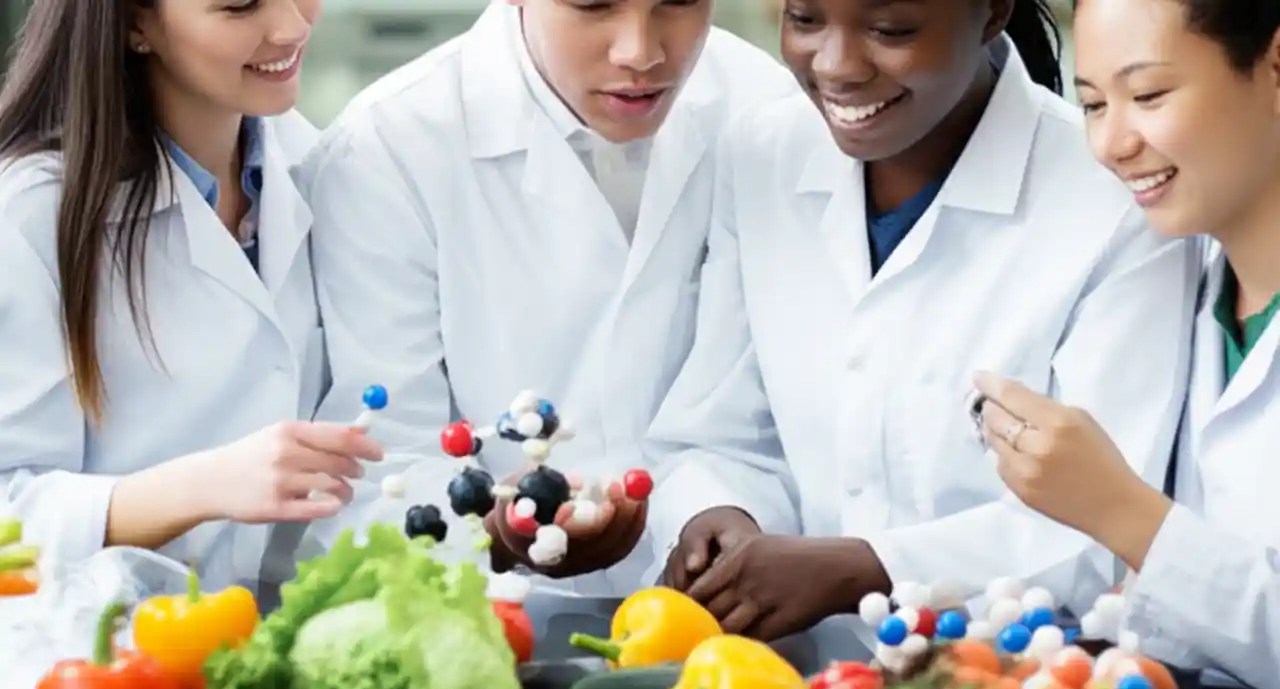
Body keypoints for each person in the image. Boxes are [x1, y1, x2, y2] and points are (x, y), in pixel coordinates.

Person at [643, 0, 1203, 645]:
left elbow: (1107, 523)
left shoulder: (1116, 200)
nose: (837, 65)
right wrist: (719, 512)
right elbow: (722, 428)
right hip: (787, 679)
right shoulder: (763, 152)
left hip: (1012, 679)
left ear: (992, 13)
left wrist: (864, 568)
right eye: (805, 20)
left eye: (890, 30)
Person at [299, 0, 797, 596]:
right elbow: (384, 462)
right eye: (592, 5)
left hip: (731, 617)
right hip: (502, 622)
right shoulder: (389, 148)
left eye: (680, 1)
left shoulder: (767, 108)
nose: (639, 51)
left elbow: (768, 409)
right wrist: (502, 537)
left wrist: (712, 508)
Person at [0, 0, 382, 599]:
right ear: (134, 23)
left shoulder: (321, 169)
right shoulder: (30, 217)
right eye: (238, 6)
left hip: (275, 642)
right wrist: (203, 485)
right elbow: (7, 513)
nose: (292, 26)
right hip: (98, 655)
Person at [974, 0, 1280, 689]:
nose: (1112, 143)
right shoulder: (1181, 276)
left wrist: (1122, 511)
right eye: (1090, 104)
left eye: (1148, 95)